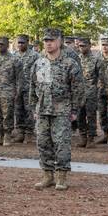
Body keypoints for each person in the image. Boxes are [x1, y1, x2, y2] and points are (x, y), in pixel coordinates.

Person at [28, 27, 82, 191]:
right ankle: (47, 176)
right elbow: (33, 87)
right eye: (46, 40)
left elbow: (78, 89)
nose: (48, 43)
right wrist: (34, 108)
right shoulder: (39, 62)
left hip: (62, 110)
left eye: (51, 40)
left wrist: (74, 111)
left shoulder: (69, 63)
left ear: (60, 41)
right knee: (43, 143)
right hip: (43, 110)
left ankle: (61, 177)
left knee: (61, 144)